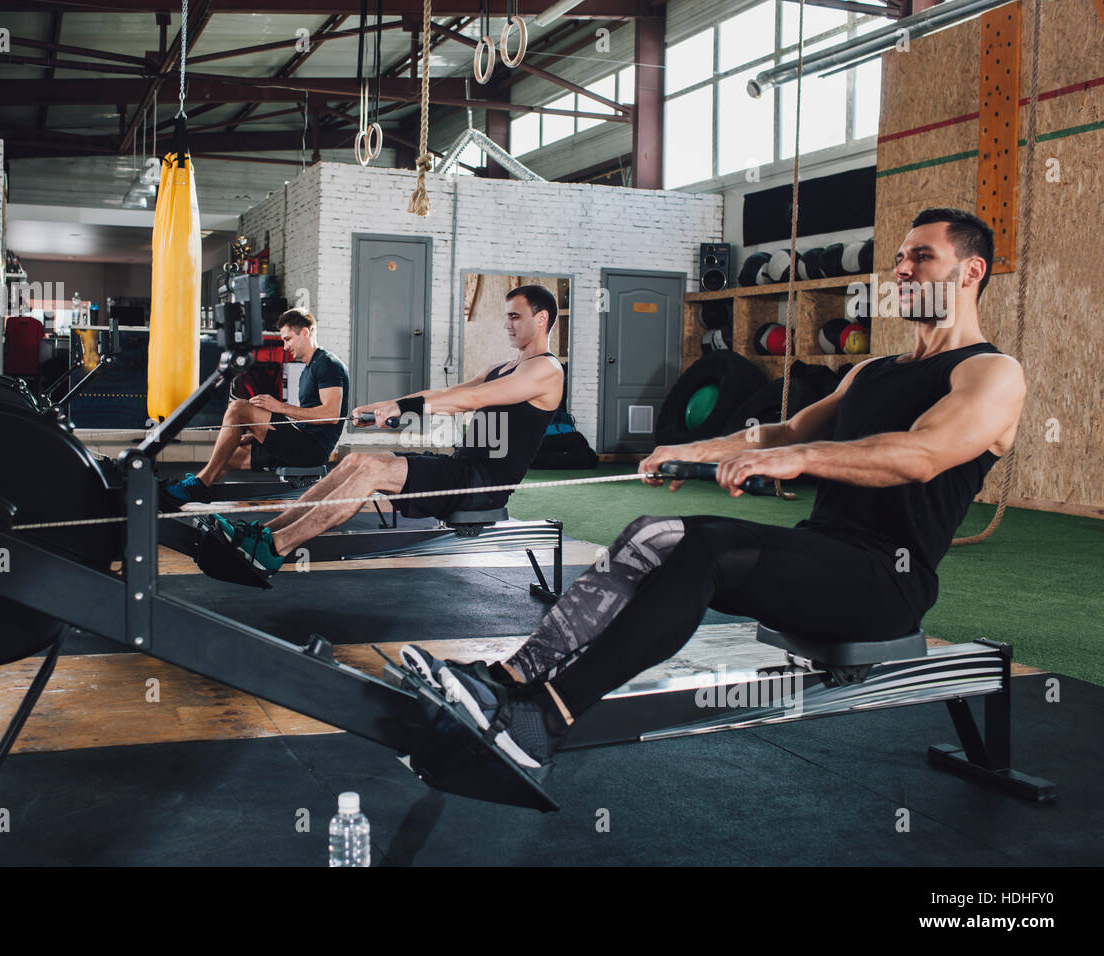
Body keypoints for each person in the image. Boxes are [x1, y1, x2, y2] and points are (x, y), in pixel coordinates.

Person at [403, 208, 1027, 771]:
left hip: (887, 582)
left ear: (971, 271)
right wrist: (692, 451)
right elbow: (784, 429)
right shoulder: (872, 370)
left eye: (922, 256)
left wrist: (799, 460)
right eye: (900, 256)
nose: (902, 268)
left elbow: (920, 456)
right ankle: (509, 681)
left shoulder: (991, 372)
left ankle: (549, 720)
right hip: (821, 552)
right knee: (655, 533)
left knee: (705, 553)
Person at [221, 285, 566, 582]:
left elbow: (469, 400)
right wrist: (385, 406)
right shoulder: (502, 367)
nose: (507, 324)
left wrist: (404, 409)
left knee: (373, 470)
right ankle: (266, 533)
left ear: (541, 319)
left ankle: (274, 549)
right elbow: (442, 394)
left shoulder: (546, 370)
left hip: (484, 485)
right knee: (358, 460)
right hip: (461, 469)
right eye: (506, 316)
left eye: (515, 317)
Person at [163, 308, 348, 506]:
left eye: (288, 339)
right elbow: (308, 417)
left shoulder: (327, 364)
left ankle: (199, 485)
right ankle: (186, 496)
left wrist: (280, 407)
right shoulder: (309, 368)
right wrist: (255, 431)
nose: (285, 347)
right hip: (301, 441)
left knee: (238, 408)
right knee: (230, 454)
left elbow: (331, 415)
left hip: (312, 451)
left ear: (304, 332)